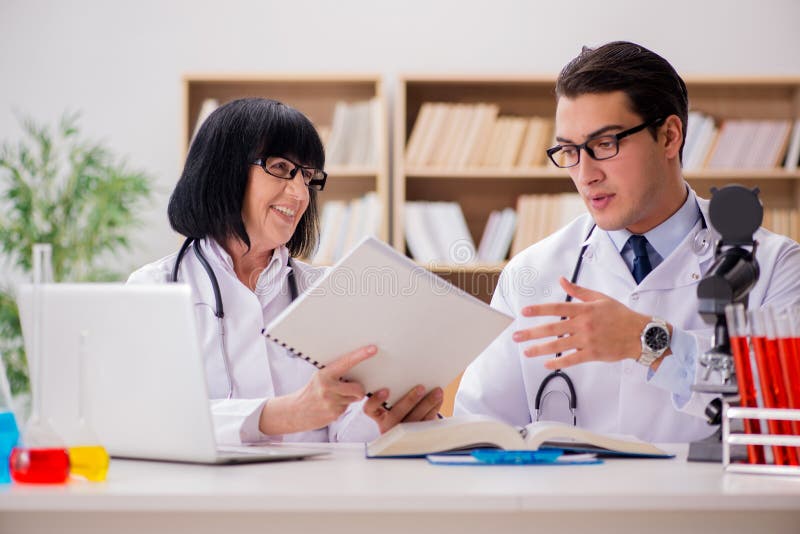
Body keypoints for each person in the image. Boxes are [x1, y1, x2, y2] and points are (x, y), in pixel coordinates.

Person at [455, 41, 800, 443]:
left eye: (605, 144)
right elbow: (478, 431)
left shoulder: (775, 265)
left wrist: (649, 342)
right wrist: (419, 424)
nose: (586, 174)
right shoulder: (530, 273)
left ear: (669, 137)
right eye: (569, 150)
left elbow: (784, 401)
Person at [129, 98, 442, 445]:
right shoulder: (154, 288)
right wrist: (278, 416)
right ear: (223, 170)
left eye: (307, 176)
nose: (300, 193)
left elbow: (348, 432)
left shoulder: (326, 291)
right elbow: (145, 417)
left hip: (313, 482)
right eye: (280, 167)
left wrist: (387, 422)